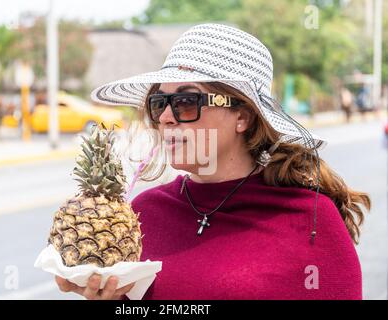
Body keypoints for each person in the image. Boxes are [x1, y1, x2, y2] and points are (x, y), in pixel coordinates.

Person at [56, 23, 371, 300]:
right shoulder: (143, 214)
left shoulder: (309, 220)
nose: (165, 117)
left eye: (185, 101)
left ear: (242, 116)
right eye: (159, 103)